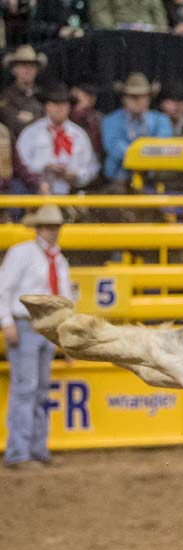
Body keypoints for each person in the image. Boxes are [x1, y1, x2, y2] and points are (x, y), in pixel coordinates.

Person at [0, 205, 75, 469]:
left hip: (46, 329)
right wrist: (6, 322)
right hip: (26, 325)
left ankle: (36, 449)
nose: (53, 231)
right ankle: (19, 453)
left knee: (40, 389)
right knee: (27, 388)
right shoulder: (22, 253)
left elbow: (65, 299)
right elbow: (4, 288)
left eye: (55, 227)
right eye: (49, 226)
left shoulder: (58, 260)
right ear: (39, 228)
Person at [16, 81, 99, 195]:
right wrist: (44, 167)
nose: (59, 108)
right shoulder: (31, 133)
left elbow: (91, 167)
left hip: (72, 194)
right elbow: (20, 165)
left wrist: (75, 175)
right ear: (46, 107)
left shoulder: (79, 135)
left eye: (63, 104)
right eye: (54, 103)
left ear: (69, 107)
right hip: (38, 194)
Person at [101, 73, 172, 184]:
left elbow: (162, 146)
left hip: (153, 180)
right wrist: (144, 157)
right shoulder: (110, 121)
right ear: (124, 98)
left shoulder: (161, 120)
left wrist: (138, 156)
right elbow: (115, 149)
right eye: (132, 96)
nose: (137, 101)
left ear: (149, 98)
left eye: (142, 96)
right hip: (119, 181)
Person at [2, 46, 46, 138]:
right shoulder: (6, 96)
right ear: (14, 70)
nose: (28, 70)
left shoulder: (43, 94)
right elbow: (11, 122)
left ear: (37, 70)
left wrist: (32, 119)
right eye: (23, 66)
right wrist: (38, 119)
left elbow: (51, 121)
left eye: (32, 66)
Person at [70, 84, 104, 158]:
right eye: (85, 95)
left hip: (92, 157)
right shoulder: (66, 115)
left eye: (91, 96)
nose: (89, 98)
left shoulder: (98, 117)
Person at [89, 0, 169, 29]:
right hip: (118, 33)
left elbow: (159, 14)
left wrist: (160, 31)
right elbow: (100, 11)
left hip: (149, 35)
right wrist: (112, 29)